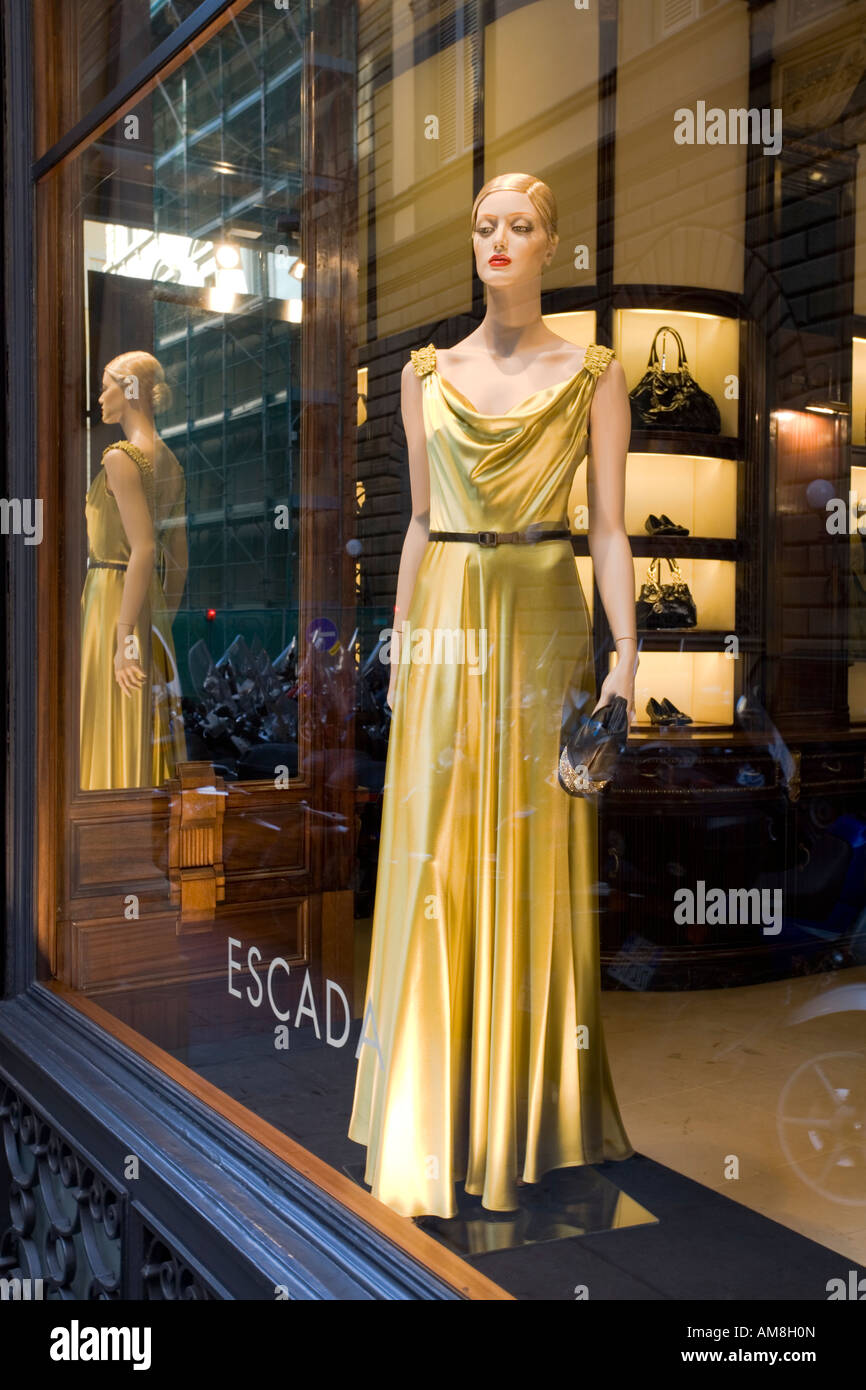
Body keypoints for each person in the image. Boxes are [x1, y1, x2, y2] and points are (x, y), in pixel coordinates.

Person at [349, 173, 638, 1219]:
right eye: (484, 225)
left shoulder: (596, 373)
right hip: (450, 621)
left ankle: (531, 1112)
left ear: (551, 243)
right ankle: (435, 1115)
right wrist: (400, 641)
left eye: (520, 224)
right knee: (435, 851)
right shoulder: (422, 375)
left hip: (544, 612)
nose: (499, 240)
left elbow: (607, 525)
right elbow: (422, 522)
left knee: (533, 854)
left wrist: (624, 654)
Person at [80, 350, 188, 790]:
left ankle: (111, 824)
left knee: (113, 713)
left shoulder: (120, 458)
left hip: (113, 599)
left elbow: (144, 548)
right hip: (146, 606)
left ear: (130, 390)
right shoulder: (171, 461)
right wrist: (156, 626)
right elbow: (178, 565)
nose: (101, 396)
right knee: (140, 720)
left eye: (107, 385)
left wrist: (125, 636)